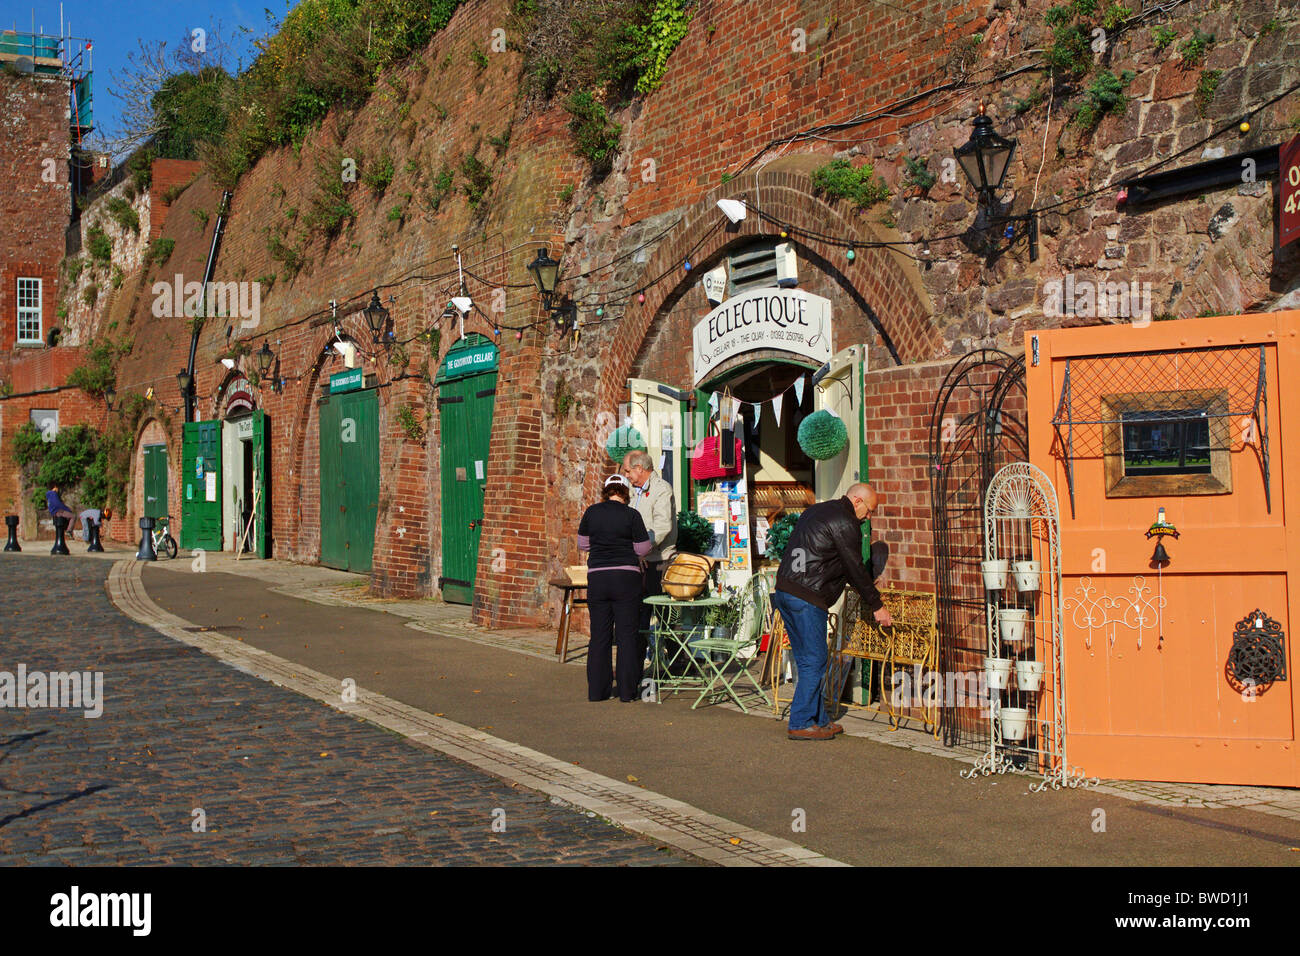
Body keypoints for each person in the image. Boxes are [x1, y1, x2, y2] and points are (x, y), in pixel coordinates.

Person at [772, 482, 892, 741]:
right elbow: (854, 567)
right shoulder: (845, 522)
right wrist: (877, 606)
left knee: (808, 660)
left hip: (786, 590)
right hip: (806, 596)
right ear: (857, 501)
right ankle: (801, 722)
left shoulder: (817, 511)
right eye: (869, 511)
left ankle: (819, 719)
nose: (868, 517)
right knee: (814, 660)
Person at [577, 474, 653, 702]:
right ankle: (627, 691)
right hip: (626, 579)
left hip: (598, 578)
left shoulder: (592, 512)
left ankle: (597, 691)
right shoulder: (632, 515)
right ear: (625, 492)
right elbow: (643, 548)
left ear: (606, 491)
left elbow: (583, 544)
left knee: (599, 635)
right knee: (626, 635)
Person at [622, 450, 677, 660]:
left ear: (639, 469)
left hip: (658, 561)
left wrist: (643, 550)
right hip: (637, 561)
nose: (626, 475)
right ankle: (636, 661)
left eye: (628, 471)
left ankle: (671, 660)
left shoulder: (661, 489)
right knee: (639, 613)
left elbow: (662, 527)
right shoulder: (633, 490)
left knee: (662, 614)